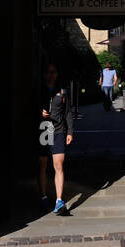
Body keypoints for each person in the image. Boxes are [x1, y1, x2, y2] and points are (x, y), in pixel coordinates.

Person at [39, 61, 74, 215]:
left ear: (57, 74)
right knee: (42, 164)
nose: (51, 75)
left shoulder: (63, 91)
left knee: (59, 164)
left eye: (53, 72)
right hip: (44, 130)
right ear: (44, 74)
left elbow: (68, 112)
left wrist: (70, 132)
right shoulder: (39, 90)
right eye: (48, 72)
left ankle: (59, 200)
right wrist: (39, 113)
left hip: (59, 130)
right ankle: (43, 197)